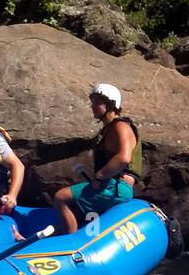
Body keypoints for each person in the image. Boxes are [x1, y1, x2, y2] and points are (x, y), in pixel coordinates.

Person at [54, 83, 142, 234]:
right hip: (114, 186)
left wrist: (99, 177)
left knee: (61, 197)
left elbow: (124, 158)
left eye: (97, 102)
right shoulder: (110, 128)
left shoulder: (120, 126)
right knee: (76, 205)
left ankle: (69, 243)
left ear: (110, 104)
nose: (92, 106)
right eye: (92, 102)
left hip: (116, 187)